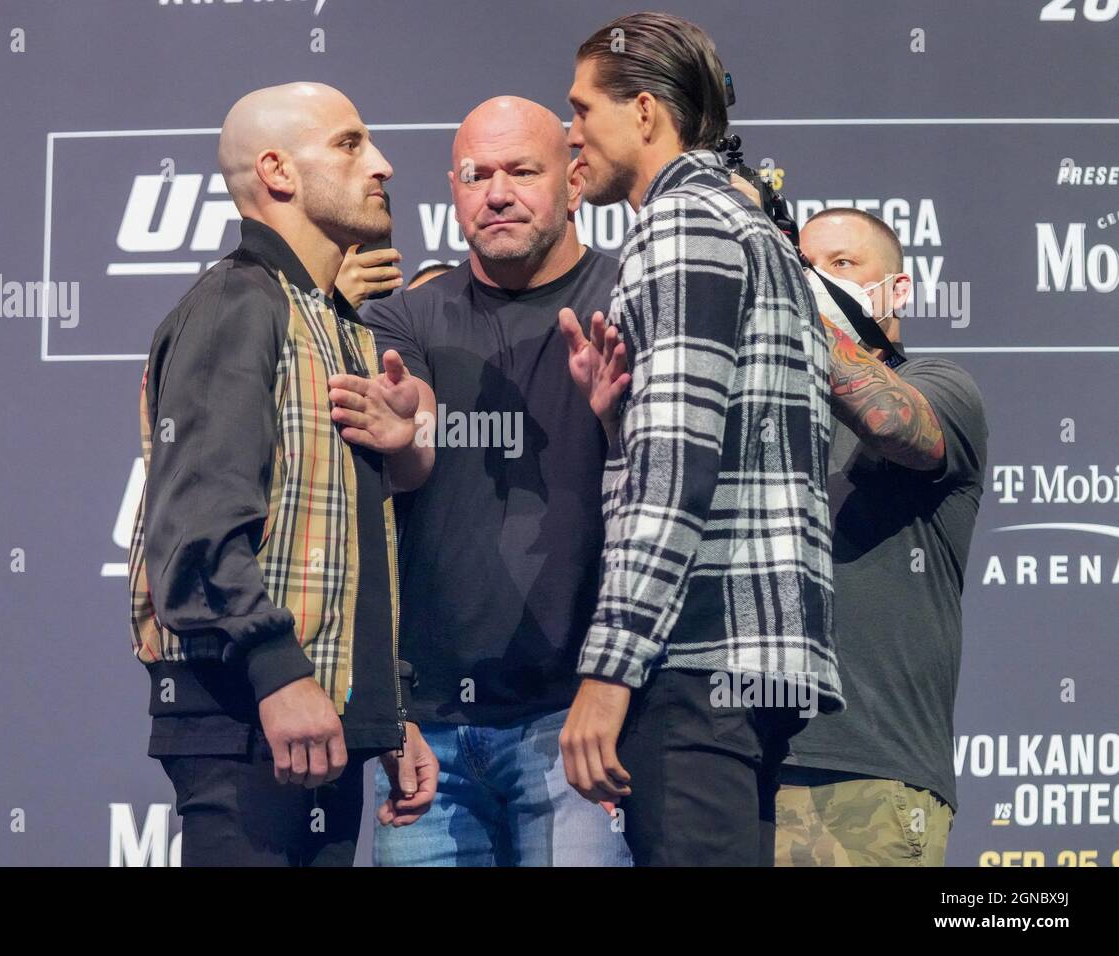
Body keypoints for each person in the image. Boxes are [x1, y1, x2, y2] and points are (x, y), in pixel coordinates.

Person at [127, 82, 437, 866]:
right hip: (248, 724)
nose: (383, 165)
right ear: (277, 171)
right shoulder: (238, 303)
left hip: (316, 723)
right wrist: (276, 673)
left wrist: (382, 709)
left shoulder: (335, 323)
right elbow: (193, 536)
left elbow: (342, 546)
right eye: (349, 143)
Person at [559, 12, 842, 866]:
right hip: (760, 662)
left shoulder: (679, 223)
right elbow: (742, 448)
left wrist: (610, 671)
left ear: (644, 113)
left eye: (581, 109)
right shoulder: (761, 230)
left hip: (693, 658)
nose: (571, 132)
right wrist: (620, 422)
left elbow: (677, 473)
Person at [348, 95, 632, 866]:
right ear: (453, 188)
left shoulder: (632, 301)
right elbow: (414, 448)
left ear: (575, 183)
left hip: (579, 719)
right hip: (428, 730)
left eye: (522, 171)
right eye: (477, 174)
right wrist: (410, 435)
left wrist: (618, 422)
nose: (496, 192)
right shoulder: (404, 321)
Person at [776, 208, 988, 866]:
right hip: (746, 768)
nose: (818, 281)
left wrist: (788, 302)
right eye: (804, 267)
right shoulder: (763, 415)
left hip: (869, 777)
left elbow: (894, 424)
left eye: (842, 265)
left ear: (898, 289)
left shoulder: (943, 388)